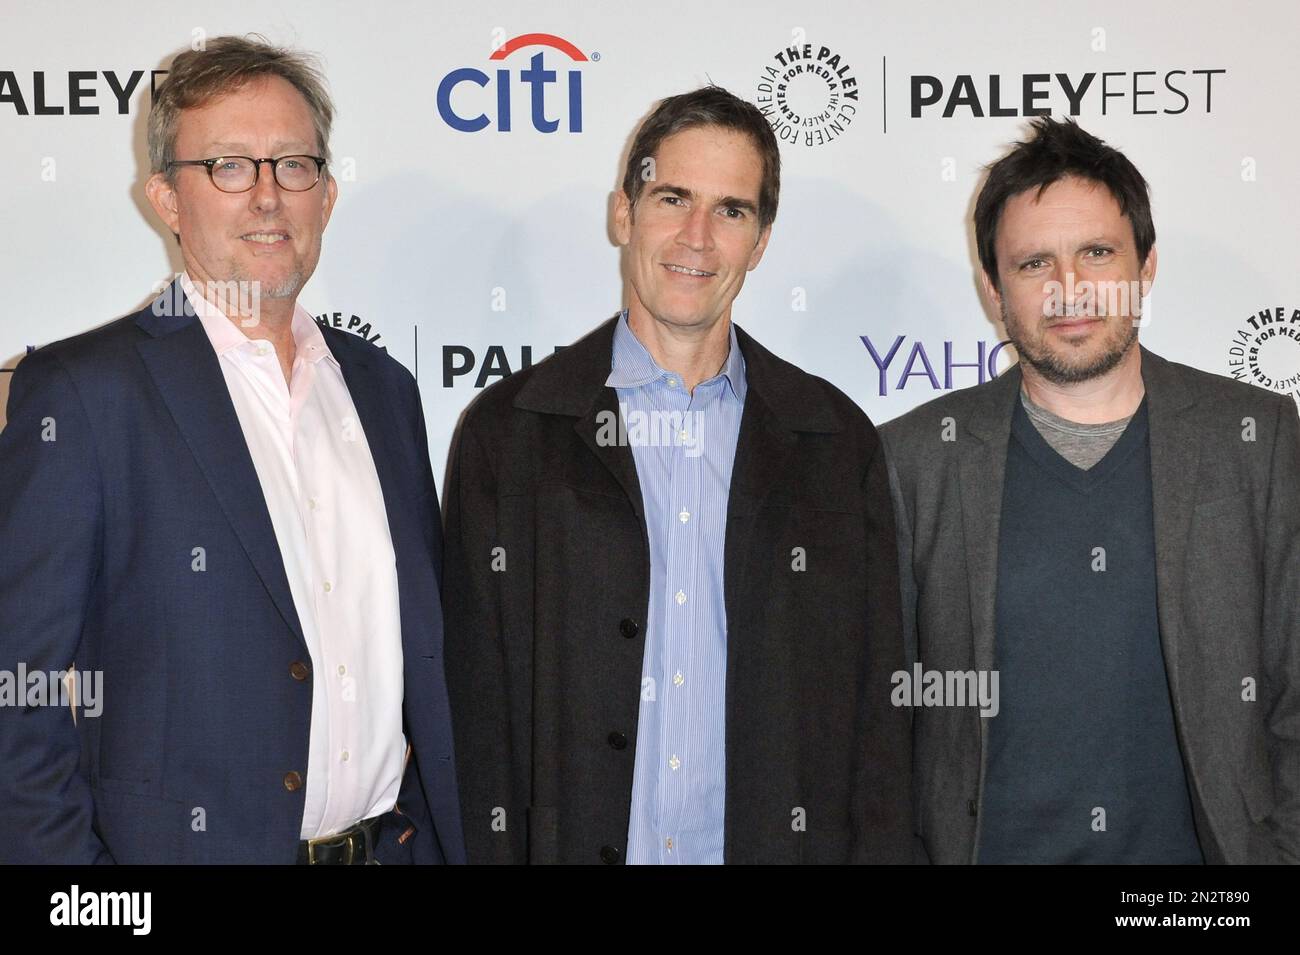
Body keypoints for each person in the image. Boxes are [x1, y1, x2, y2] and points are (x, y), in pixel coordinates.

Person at [0, 35, 464, 864]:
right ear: (166, 201)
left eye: (293, 165)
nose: (266, 197)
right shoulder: (82, 394)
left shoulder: (385, 391)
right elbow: (16, 693)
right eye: (227, 167)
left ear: (326, 193)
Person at [443, 85, 911, 864]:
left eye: (731, 210)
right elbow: (475, 713)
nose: (698, 236)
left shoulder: (834, 441)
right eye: (672, 198)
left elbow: (876, 721)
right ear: (623, 213)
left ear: (760, 240)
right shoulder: (511, 432)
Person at [881, 116, 1299, 864]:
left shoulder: (1254, 437)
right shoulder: (915, 458)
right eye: (1034, 262)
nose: (1070, 289)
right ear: (992, 287)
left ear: (1146, 267)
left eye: (1097, 253)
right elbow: (883, 716)